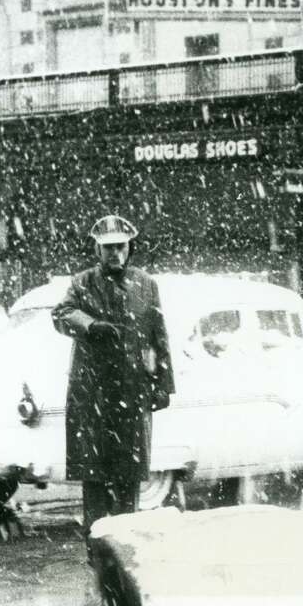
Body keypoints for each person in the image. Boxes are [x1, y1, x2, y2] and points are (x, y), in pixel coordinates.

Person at [52, 213, 174, 531]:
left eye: (120, 247)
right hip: (93, 397)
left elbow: (158, 337)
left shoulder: (146, 286)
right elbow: (61, 314)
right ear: (97, 251)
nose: (115, 254)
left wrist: (163, 384)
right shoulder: (82, 283)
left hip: (132, 396)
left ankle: (124, 552)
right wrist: (91, 326)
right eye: (108, 249)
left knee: (128, 477)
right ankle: (98, 547)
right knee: (95, 479)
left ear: (129, 247)